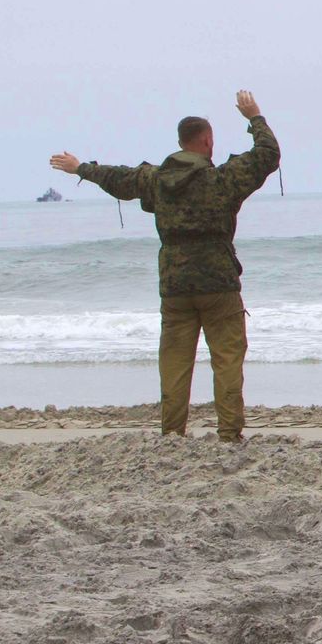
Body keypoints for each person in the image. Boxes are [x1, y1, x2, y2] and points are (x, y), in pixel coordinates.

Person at [49, 93, 280, 442]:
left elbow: (117, 178)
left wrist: (80, 167)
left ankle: (172, 433)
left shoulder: (155, 180)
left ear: (180, 143)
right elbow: (267, 156)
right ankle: (229, 433)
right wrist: (254, 117)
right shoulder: (223, 180)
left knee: (174, 361)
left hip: (174, 284)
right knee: (227, 359)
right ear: (207, 141)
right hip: (218, 281)